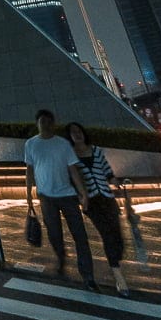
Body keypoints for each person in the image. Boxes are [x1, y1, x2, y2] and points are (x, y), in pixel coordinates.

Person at [24, 108, 97, 289]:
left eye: (49, 122)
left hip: (67, 196)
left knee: (80, 235)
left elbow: (73, 169)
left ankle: (88, 275)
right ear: (37, 124)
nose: (46, 125)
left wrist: (82, 193)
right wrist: (28, 194)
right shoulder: (31, 144)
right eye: (43, 122)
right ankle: (61, 257)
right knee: (54, 234)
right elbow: (29, 170)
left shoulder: (63, 144)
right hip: (46, 197)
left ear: (53, 124)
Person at [65, 122, 129, 296]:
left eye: (79, 131)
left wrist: (115, 181)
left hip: (107, 197)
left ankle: (115, 260)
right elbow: (72, 179)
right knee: (107, 234)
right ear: (69, 137)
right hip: (91, 202)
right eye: (73, 133)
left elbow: (107, 171)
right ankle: (118, 275)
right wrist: (81, 197)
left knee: (117, 234)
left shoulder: (97, 151)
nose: (77, 134)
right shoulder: (70, 157)